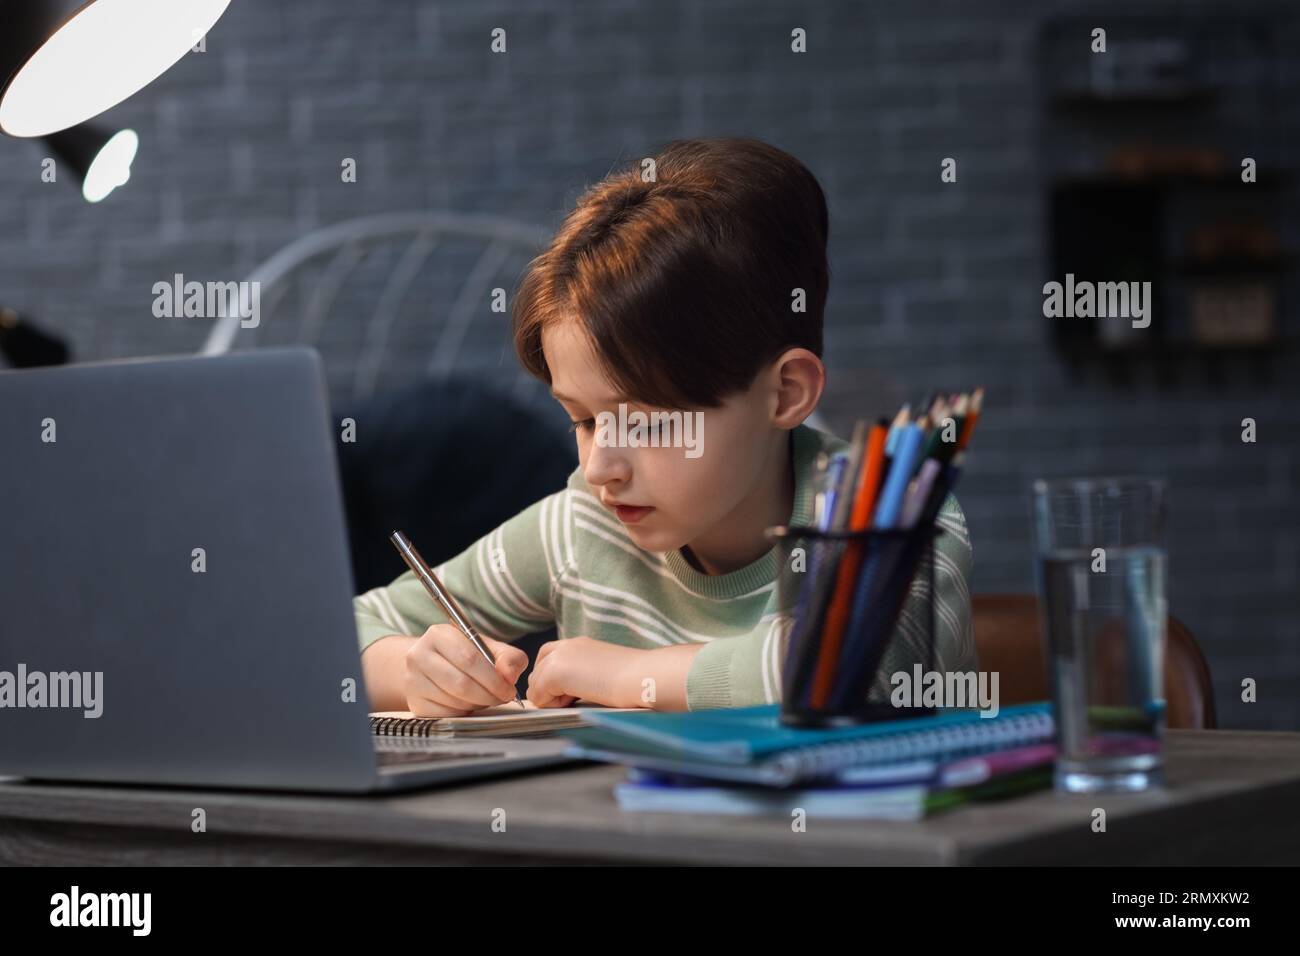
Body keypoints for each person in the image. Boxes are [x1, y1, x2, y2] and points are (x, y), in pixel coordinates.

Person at [355, 137, 975, 715]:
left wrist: (624, 677)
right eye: (584, 420)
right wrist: (412, 667)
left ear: (785, 393)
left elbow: (847, 669)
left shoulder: (893, 517)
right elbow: (340, 633)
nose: (600, 468)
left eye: (646, 425)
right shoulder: (581, 527)